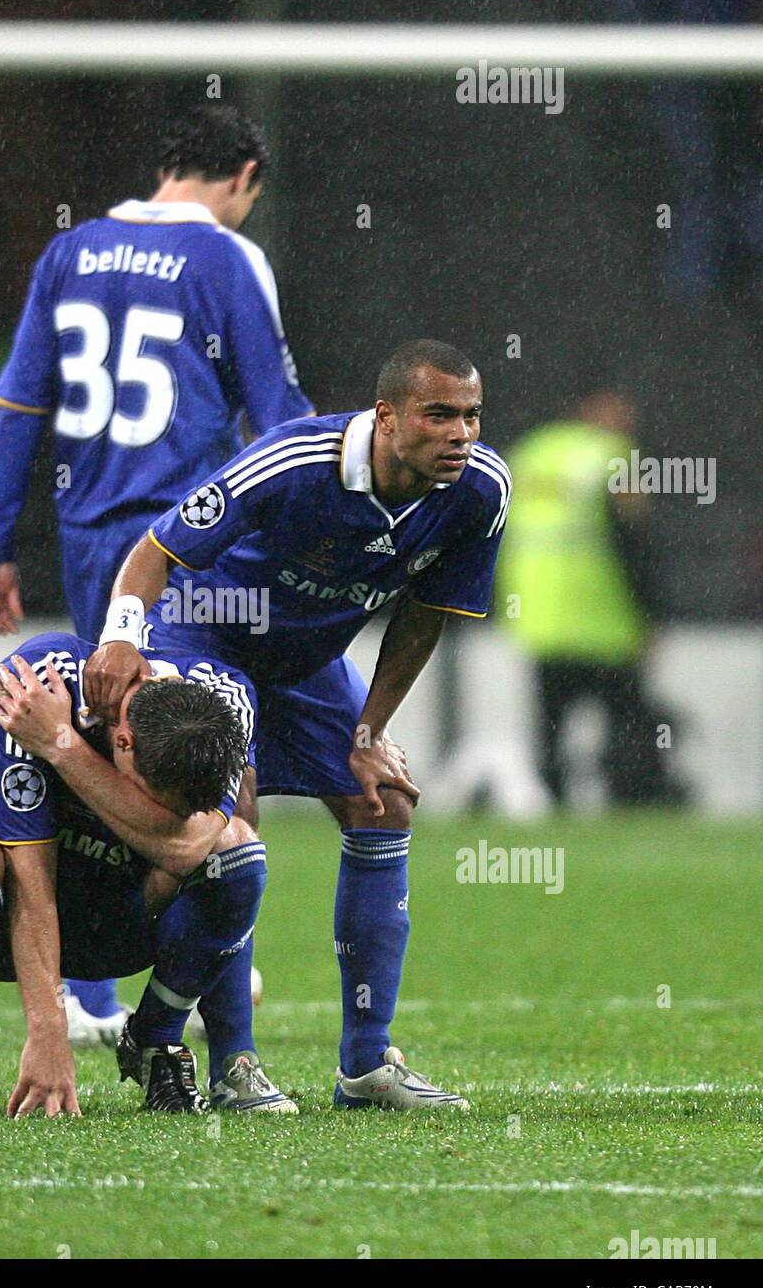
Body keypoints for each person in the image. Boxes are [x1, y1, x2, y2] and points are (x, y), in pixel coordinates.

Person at [85, 339, 512, 1111]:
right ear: (385, 417)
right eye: (438, 414)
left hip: (305, 659)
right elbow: (156, 548)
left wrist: (369, 730)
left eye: (472, 415)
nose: (460, 433)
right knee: (232, 811)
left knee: (383, 799)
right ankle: (232, 1068)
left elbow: (423, 616)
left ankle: (365, 1064)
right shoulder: (292, 459)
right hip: (206, 630)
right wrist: (120, 635)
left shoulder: (479, 490)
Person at [0, 103, 313, 1042]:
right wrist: (321, 518)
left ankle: (88, 988)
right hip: (184, 539)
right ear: (242, 176)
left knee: (108, 730)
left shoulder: (71, 250)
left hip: (88, 534)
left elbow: (18, 403)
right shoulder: (225, 259)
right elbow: (278, 416)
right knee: (206, 736)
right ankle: (211, 985)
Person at [0, 633, 296, 1117]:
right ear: (124, 742)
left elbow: (189, 846)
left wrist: (62, 747)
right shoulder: (28, 690)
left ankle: (157, 1040)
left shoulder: (223, 701)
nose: (163, 816)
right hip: (10, 926)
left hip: (131, 922)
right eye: (160, 805)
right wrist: (48, 1033)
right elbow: (32, 882)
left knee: (236, 851)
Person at [497, 390, 683, 804]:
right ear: (594, 408)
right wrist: (652, 611)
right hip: (606, 620)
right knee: (627, 725)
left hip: (541, 619)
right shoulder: (613, 455)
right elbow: (635, 543)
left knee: (550, 728)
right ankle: (629, 802)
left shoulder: (532, 452)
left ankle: (553, 806)